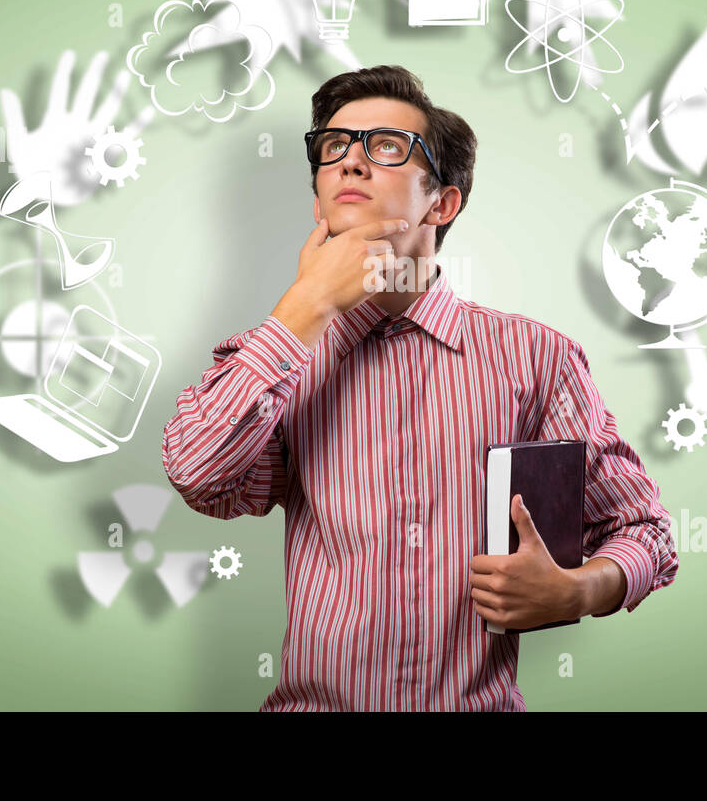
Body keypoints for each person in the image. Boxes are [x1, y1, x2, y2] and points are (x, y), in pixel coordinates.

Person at [161, 65, 678, 711]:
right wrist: (307, 304)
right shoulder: (282, 360)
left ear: (443, 202)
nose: (350, 161)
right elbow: (196, 474)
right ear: (318, 200)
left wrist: (577, 591)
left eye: (384, 147)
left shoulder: (536, 358)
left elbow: (644, 529)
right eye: (334, 147)